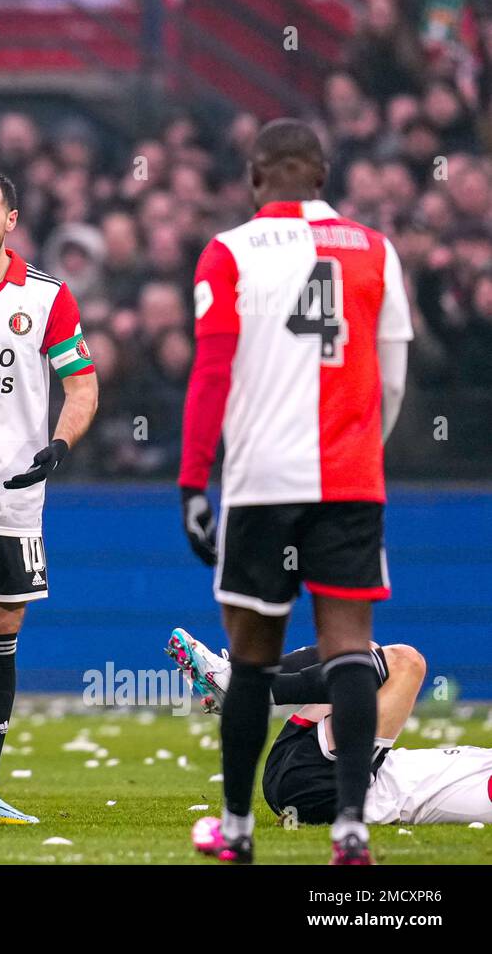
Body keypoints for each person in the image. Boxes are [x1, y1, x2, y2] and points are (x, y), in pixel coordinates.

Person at [178, 118, 413, 864]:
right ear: (323, 175)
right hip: (349, 477)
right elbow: (395, 373)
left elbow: (211, 374)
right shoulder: (376, 249)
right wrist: (361, 453)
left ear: (253, 178)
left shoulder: (229, 252)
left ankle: (239, 831)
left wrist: (192, 479)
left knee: (251, 658)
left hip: (261, 480)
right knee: (351, 650)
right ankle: (350, 827)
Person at [0, 167, 99, 822]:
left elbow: (82, 386)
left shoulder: (46, 296)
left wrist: (59, 446)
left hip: (14, 496)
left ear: (11, 221)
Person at [169, 629, 492, 828]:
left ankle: (248, 692)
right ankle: (241, 681)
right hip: (298, 770)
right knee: (357, 651)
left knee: (406, 664)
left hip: (330, 788)